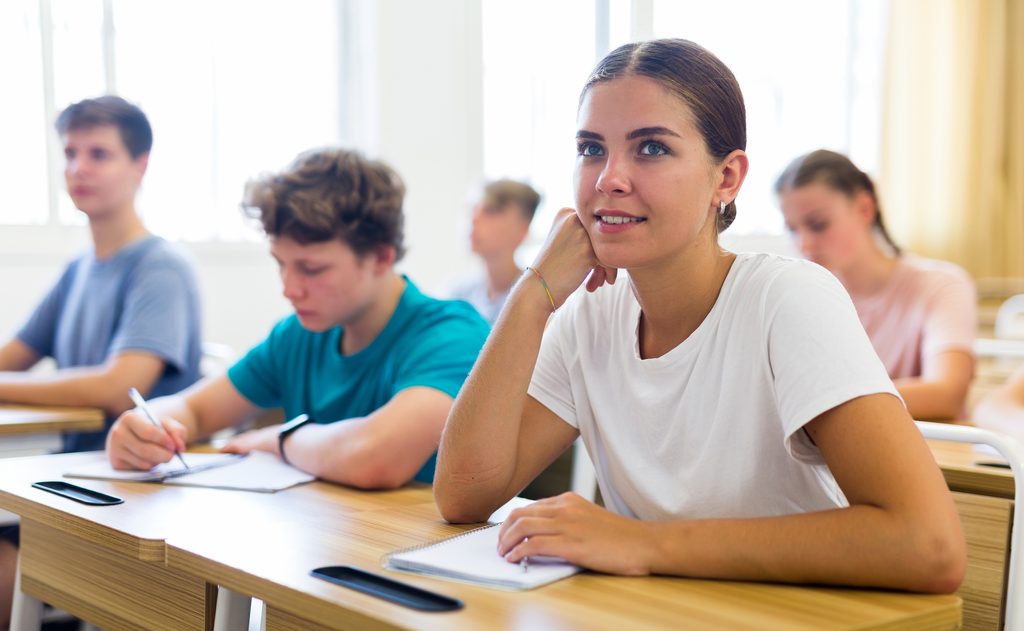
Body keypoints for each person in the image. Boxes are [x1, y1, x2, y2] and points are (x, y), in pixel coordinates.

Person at [434, 39, 965, 593]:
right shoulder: (588, 314)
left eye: (652, 149)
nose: (608, 179)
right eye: (591, 148)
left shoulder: (787, 299)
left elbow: (928, 546)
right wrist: (532, 293)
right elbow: (464, 495)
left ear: (727, 178)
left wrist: (639, 542)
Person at [105, 147, 489, 492]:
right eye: (281, 265)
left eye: (311, 269)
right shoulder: (300, 334)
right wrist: (144, 426)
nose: (289, 289)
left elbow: (375, 457)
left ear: (381, 257)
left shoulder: (452, 335)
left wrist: (280, 440)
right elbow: (197, 409)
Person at [0, 95, 202, 628]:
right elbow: (14, 356)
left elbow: (120, 385)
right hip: (71, 480)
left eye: (99, 154)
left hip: (133, 496)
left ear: (141, 165)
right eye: (69, 153)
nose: (78, 168)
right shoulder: (79, 269)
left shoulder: (162, 268)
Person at [776, 149, 976, 421]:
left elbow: (946, 394)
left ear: (864, 208)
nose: (805, 245)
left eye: (818, 224)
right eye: (792, 229)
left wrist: (819, 401)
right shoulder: (803, 300)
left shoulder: (941, 286)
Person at [449, 179, 541, 323]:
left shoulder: (537, 299)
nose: (474, 219)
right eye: (473, 210)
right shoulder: (456, 296)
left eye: (490, 211)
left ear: (522, 230)